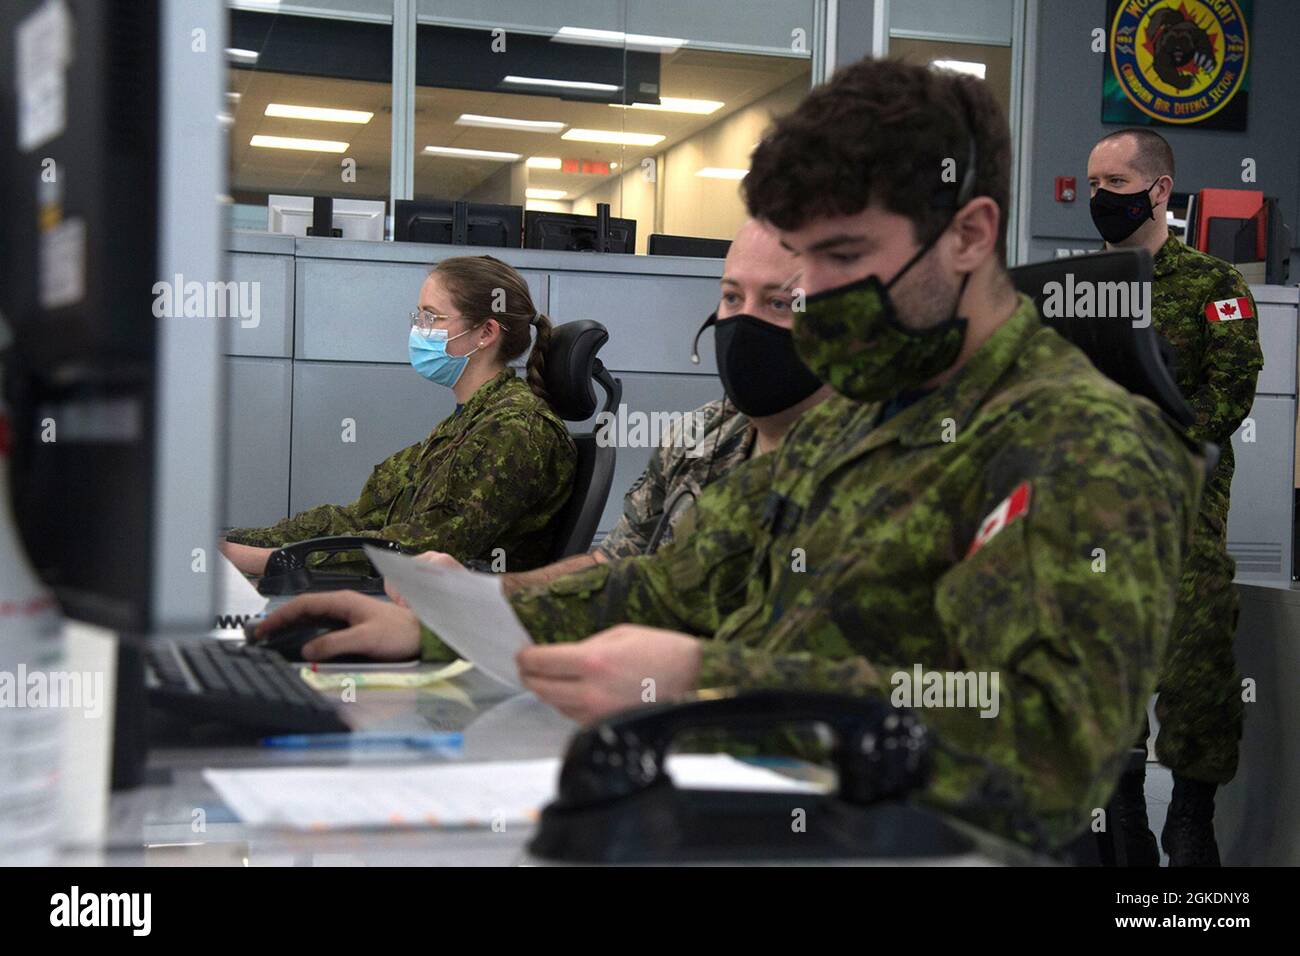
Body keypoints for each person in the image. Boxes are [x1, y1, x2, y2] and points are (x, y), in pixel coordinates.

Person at [264, 59, 1205, 853]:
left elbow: (1050, 749)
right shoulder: (863, 408)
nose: (818, 294)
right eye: (805, 261)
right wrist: (456, 621)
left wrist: (704, 681)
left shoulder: (1082, 442)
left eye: (844, 256)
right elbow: (676, 585)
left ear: (970, 234)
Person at [252, 219, 832, 635]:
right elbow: (616, 567)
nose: (743, 322)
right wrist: (469, 607)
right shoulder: (701, 436)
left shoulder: (871, 452)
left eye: (780, 303)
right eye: (731, 297)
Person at [1086, 128, 1263, 866]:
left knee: (1195, 673)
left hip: (1182, 516)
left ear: (1159, 192)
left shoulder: (1217, 287)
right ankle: (1121, 819)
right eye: (1092, 185)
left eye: (1116, 187)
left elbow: (1229, 400)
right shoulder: (1078, 288)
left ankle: (1190, 820)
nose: (1099, 200)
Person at [220, 255, 576, 575]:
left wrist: (271, 561)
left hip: (455, 620)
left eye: (430, 317)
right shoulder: (466, 423)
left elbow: (422, 548)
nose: (418, 329)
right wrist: (240, 541)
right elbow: (363, 516)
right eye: (418, 316)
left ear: (485, 332)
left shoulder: (515, 429)